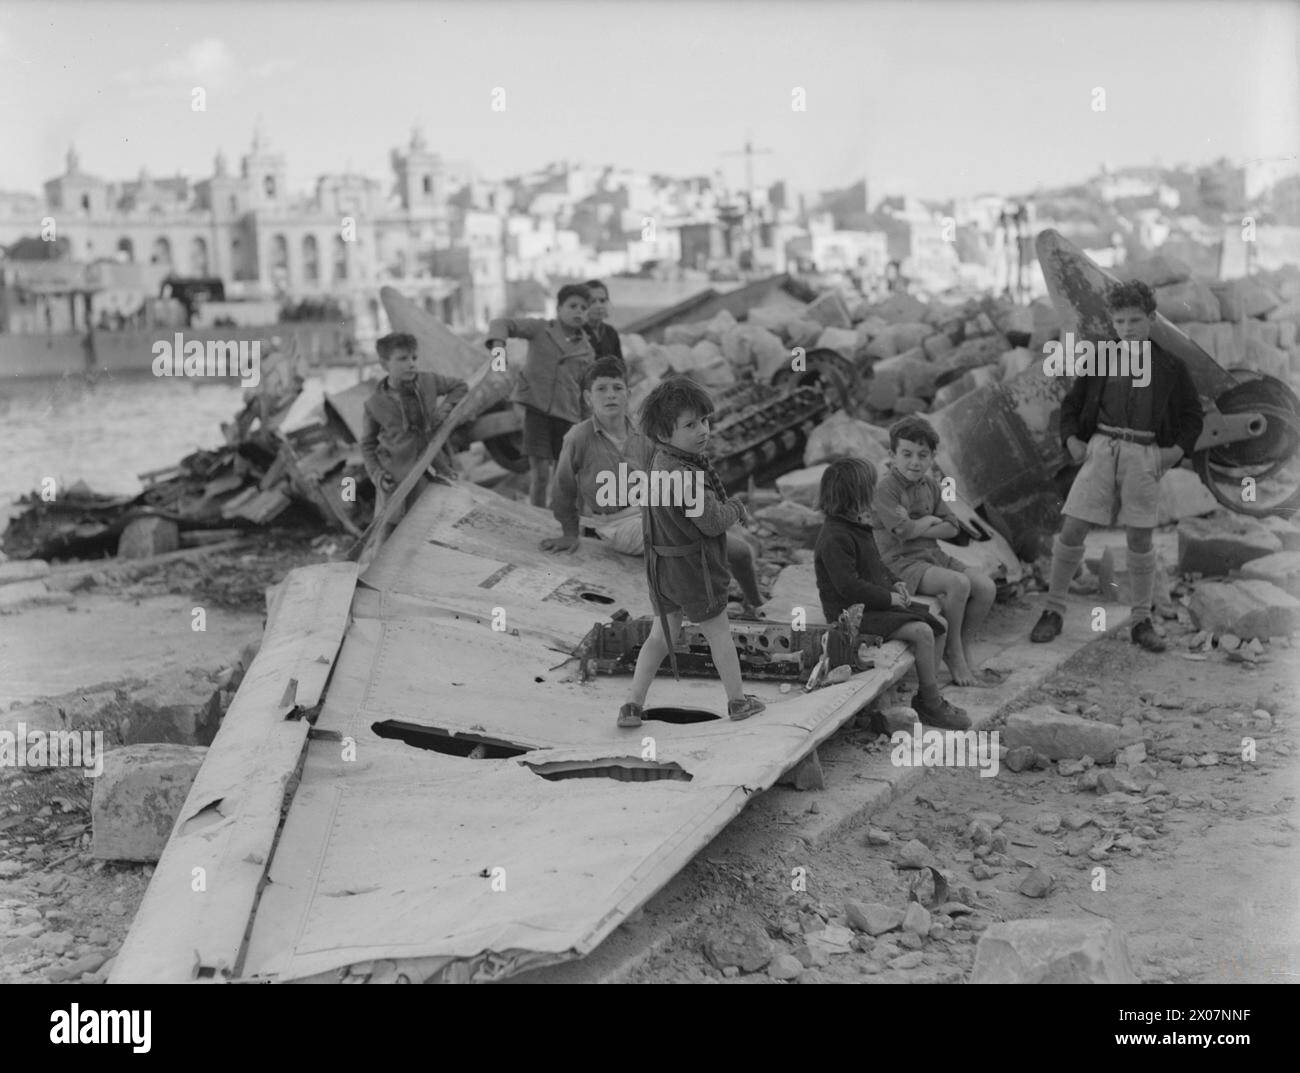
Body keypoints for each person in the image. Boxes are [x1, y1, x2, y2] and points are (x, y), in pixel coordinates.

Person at [1030, 279, 1204, 651]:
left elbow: (1192, 417)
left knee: (1139, 538)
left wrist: (1173, 453)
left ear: (1152, 319)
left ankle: (1142, 621)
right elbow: (1072, 406)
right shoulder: (1102, 358)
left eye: (1136, 320)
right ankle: (1053, 611)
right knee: (1073, 527)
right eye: (1121, 321)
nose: (1127, 328)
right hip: (1102, 449)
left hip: (1145, 455)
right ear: (1113, 322)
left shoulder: (1170, 366)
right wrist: (1073, 440)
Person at [545, 359, 767, 617]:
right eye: (601, 389)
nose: (610, 396)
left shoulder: (644, 432)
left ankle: (755, 602)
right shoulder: (578, 437)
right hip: (617, 524)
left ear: (628, 394)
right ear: (587, 397)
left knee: (740, 547)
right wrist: (569, 532)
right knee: (704, 542)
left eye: (617, 388)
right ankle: (708, 607)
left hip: (653, 508)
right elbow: (562, 487)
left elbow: (672, 469)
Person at [617, 376, 766, 728]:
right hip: (693, 569)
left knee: (659, 637)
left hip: (661, 569)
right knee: (718, 633)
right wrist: (737, 508)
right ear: (665, 434)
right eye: (690, 425)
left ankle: (632, 704)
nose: (703, 430)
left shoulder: (660, 462)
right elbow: (712, 523)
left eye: (704, 421)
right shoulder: (687, 475)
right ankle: (738, 701)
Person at [814, 458, 969, 728]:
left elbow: (876, 566)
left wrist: (895, 584)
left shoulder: (856, 526)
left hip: (870, 605)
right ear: (855, 495)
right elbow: (848, 587)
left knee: (939, 624)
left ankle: (927, 695)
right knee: (921, 632)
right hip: (850, 615)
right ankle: (931, 702)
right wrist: (888, 598)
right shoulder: (835, 536)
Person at [872, 415, 998, 686]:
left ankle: (963, 647)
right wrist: (929, 522)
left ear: (931, 457)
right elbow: (901, 532)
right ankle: (952, 654)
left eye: (922, 455)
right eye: (906, 454)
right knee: (958, 583)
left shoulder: (930, 485)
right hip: (899, 562)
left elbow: (953, 527)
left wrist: (920, 524)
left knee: (986, 587)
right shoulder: (886, 489)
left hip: (931, 555)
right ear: (893, 454)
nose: (915, 462)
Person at [486, 284, 595, 508]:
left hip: (568, 418)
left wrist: (587, 427)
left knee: (564, 477)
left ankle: (562, 522)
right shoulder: (540, 329)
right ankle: (535, 519)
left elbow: (585, 391)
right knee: (540, 474)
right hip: (536, 411)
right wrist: (498, 359)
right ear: (558, 308)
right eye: (572, 306)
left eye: (583, 308)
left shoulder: (587, 351)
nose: (578, 312)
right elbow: (500, 324)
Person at [360, 331, 468, 523]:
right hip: (395, 480)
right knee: (391, 534)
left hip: (433, 469)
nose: (411, 363)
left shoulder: (428, 381)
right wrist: (377, 475)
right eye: (402, 359)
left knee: (435, 526)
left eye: (414, 357)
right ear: (385, 364)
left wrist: (444, 410)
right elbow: (367, 446)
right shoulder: (374, 404)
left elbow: (460, 386)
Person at [582, 279, 624, 364]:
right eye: (592, 301)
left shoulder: (611, 332)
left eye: (602, 301)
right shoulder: (575, 333)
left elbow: (620, 367)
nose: (599, 306)